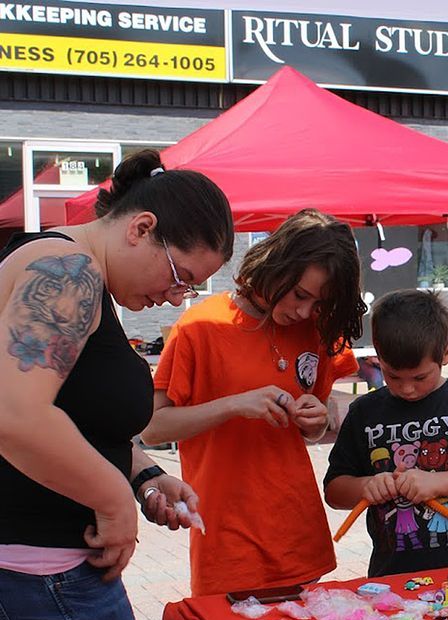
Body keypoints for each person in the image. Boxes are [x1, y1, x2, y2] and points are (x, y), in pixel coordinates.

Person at [0, 149, 233, 620]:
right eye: (181, 276)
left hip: (46, 581)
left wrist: (145, 476)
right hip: (40, 584)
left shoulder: (72, 271)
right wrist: (114, 505)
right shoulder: (68, 272)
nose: (179, 298)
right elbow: (16, 413)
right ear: (141, 228)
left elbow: (75, 416)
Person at [142, 209, 365, 596]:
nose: (304, 312)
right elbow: (152, 427)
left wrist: (315, 420)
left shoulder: (315, 329)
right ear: (275, 263)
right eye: (300, 294)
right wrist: (234, 405)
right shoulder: (203, 326)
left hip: (296, 531)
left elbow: (315, 426)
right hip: (228, 537)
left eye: (319, 304)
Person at [324, 290, 448, 577]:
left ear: (445, 353)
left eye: (419, 377)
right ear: (377, 357)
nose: (407, 388)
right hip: (391, 578)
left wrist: (438, 482)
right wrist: (368, 485)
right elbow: (335, 492)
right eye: (392, 376)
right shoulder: (364, 412)